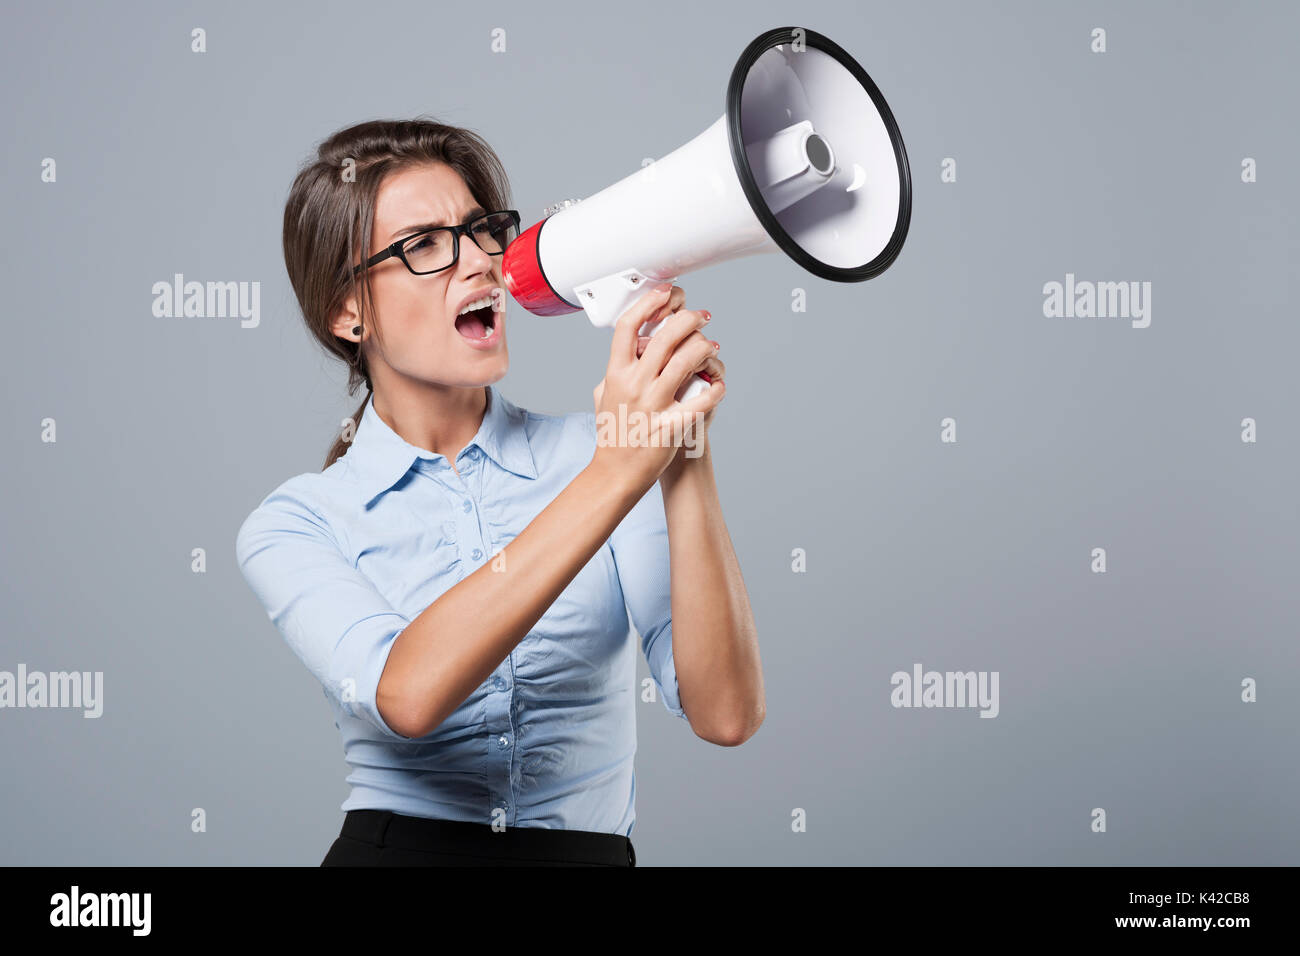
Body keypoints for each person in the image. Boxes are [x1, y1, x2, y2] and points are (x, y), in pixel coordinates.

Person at [235, 118, 763, 867]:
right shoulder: (294, 525)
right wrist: (616, 471)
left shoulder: (605, 448)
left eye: (483, 231)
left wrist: (680, 446)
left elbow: (727, 713)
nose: (482, 262)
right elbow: (407, 695)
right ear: (347, 312)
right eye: (423, 245)